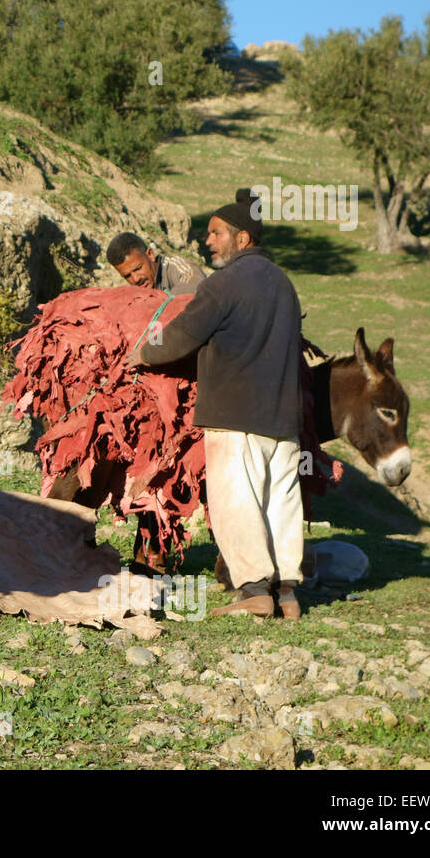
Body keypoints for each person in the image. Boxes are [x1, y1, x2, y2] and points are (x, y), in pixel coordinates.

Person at [127, 189, 305, 620]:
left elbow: (181, 334)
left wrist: (142, 350)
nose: (208, 242)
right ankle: (287, 595)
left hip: (234, 415)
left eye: (216, 234)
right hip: (283, 420)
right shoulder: (284, 283)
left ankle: (254, 592)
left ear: (243, 239)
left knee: (237, 501)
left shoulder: (223, 284)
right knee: (280, 503)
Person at [106, 232, 206, 295]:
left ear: (150, 255)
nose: (136, 279)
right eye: (127, 276)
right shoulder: (138, 291)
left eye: (138, 268)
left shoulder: (177, 267)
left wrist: (161, 305)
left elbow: (194, 284)